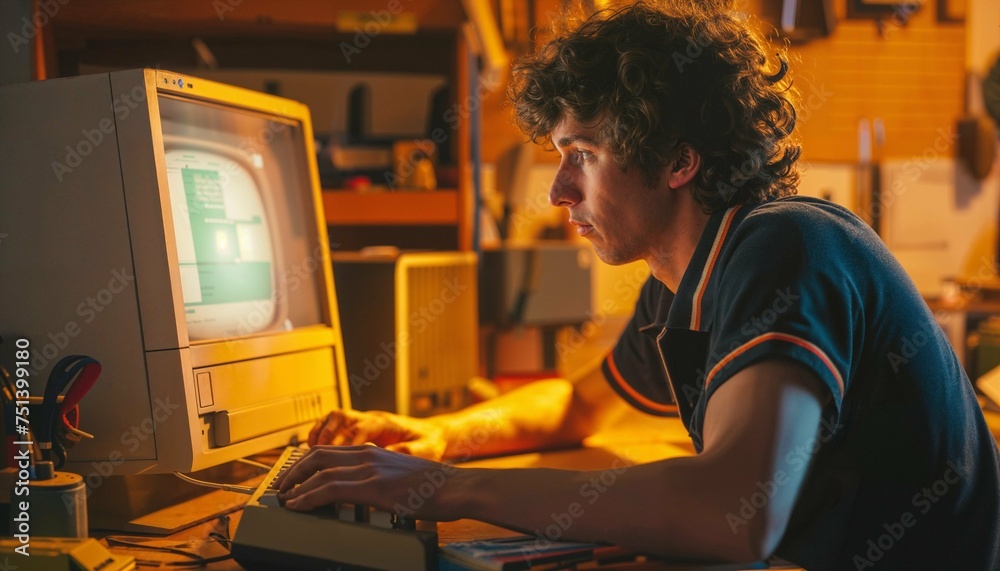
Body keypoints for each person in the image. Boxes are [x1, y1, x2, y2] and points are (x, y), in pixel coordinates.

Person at [277, 1, 1000, 568]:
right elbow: (576, 403)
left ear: (678, 161)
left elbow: (733, 511)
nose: (558, 191)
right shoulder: (687, 272)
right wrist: (437, 438)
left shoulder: (786, 247)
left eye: (583, 154)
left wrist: (445, 490)